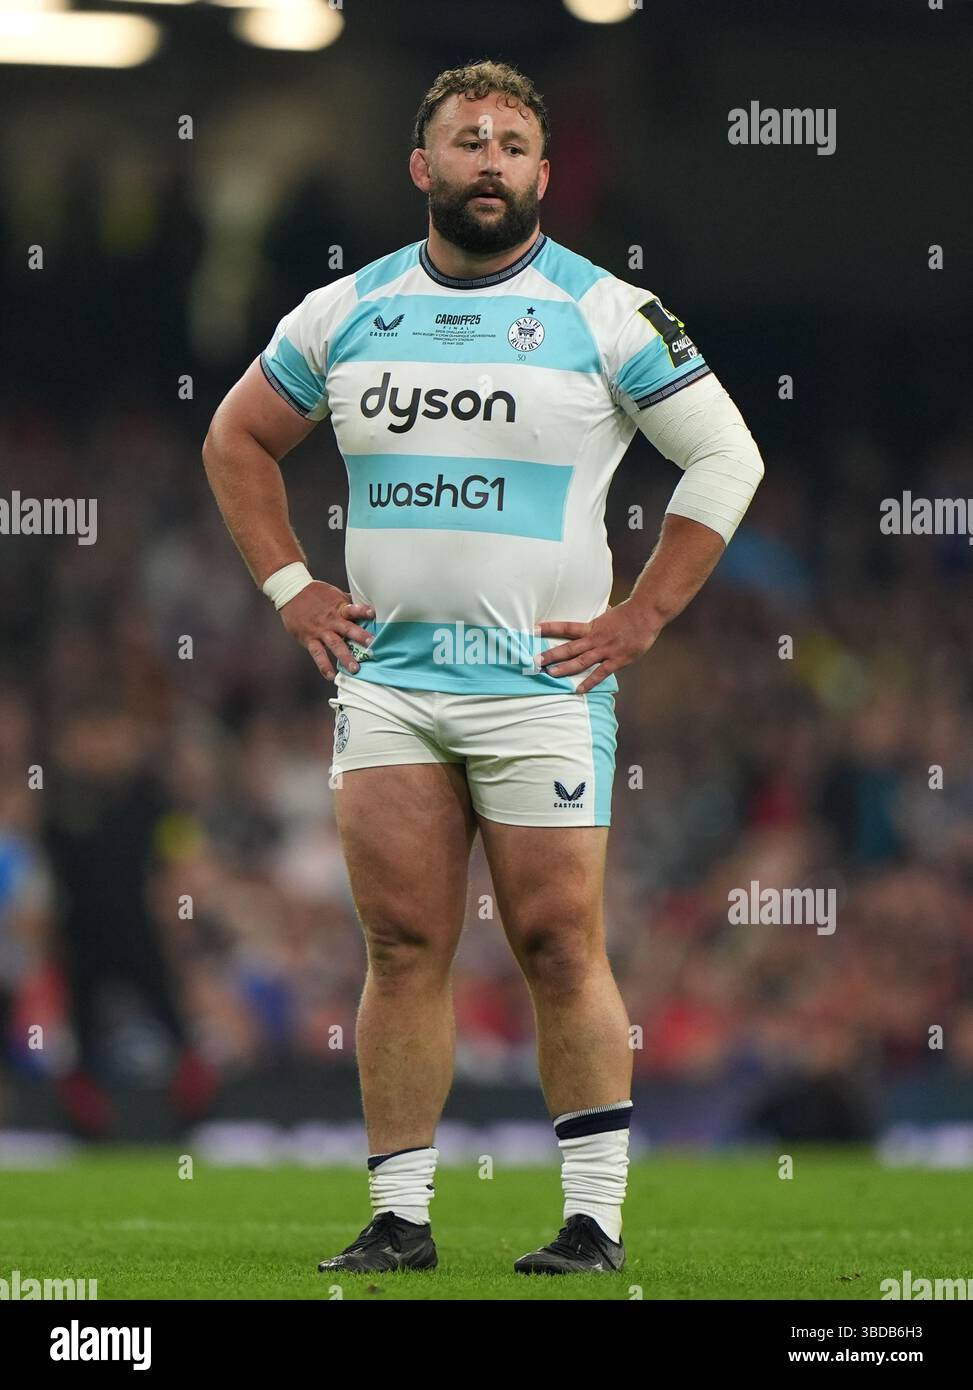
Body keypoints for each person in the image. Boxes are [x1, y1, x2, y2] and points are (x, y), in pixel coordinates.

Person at [202, 59, 764, 1275]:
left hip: (544, 685)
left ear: (545, 175)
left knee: (560, 943)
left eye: (513, 143)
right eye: (468, 141)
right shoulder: (342, 310)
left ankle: (593, 1223)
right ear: (423, 167)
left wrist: (645, 617)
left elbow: (726, 457)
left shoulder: (608, 311)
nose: (490, 161)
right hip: (393, 679)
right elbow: (238, 435)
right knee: (403, 946)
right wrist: (292, 586)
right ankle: (402, 1219)